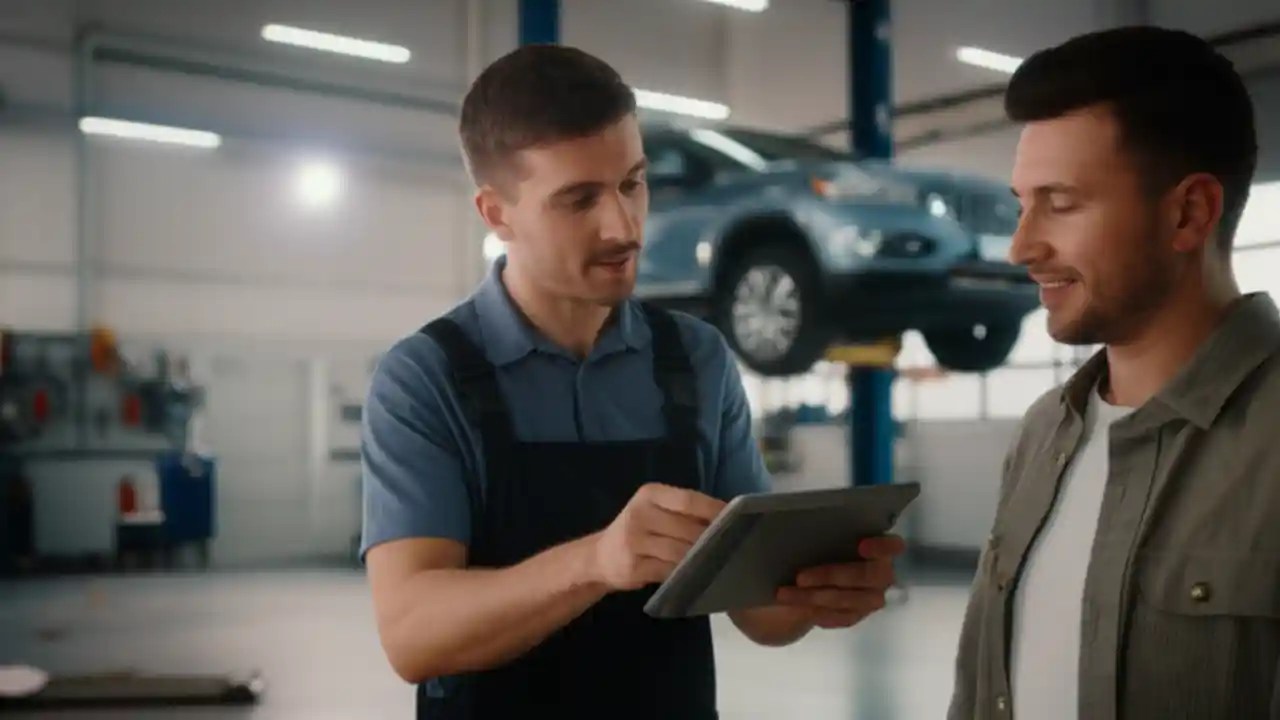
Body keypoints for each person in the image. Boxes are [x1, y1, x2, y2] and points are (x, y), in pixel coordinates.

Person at [360, 44, 904, 719]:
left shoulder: (696, 359)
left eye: (632, 183)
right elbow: (414, 635)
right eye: (578, 199)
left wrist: (819, 593)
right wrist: (595, 562)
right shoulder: (426, 378)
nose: (621, 226)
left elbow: (758, 615)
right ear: (497, 213)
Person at [948, 26, 1280, 720]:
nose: (1020, 246)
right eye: (1021, 203)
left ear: (1189, 212)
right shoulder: (1045, 432)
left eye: (1061, 203)